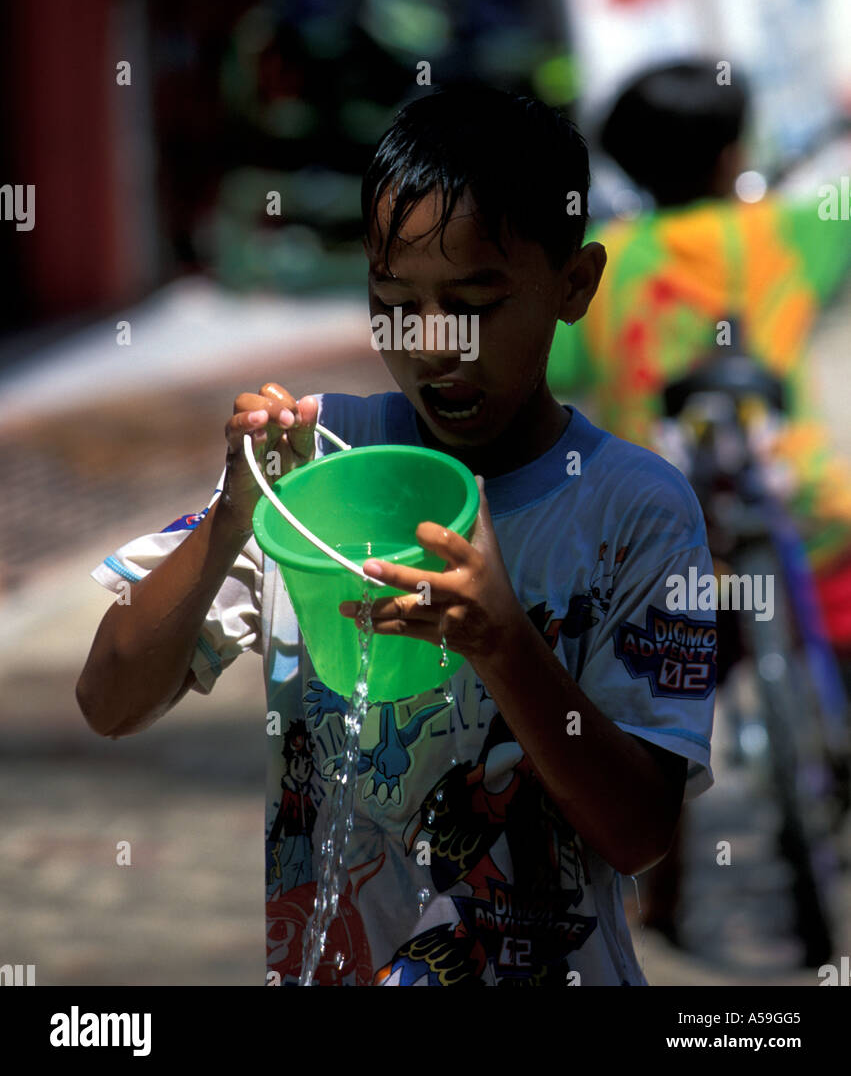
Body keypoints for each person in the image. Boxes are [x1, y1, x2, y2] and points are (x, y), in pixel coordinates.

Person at [77, 83, 716, 986]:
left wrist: (503, 642)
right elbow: (108, 701)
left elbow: (640, 834)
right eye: (392, 299)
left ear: (573, 285)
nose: (430, 344)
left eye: (476, 302)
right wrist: (235, 516)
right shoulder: (319, 469)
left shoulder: (632, 512)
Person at [547, 61, 851, 658]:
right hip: (803, 509)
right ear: (732, 157)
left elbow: (556, 368)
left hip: (664, 535)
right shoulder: (783, 232)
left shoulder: (596, 267)